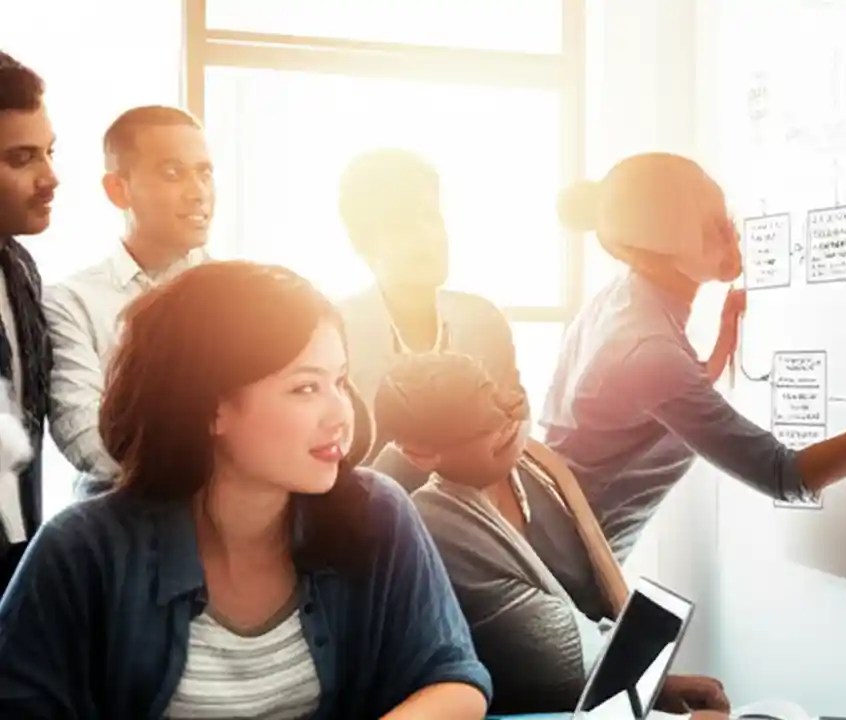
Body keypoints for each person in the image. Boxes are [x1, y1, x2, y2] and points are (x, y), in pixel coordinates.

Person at [0, 261, 492, 719]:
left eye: (339, 382)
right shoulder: (83, 550)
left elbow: (454, 680)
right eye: (305, 388)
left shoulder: (376, 513)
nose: (341, 414)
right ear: (211, 407)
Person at [543, 152, 846, 563]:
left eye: (725, 216)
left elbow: (667, 402)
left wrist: (725, 335)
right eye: (714, 227)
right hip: (568, 577)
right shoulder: (648, 353)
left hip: (556, 548)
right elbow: (785, 476)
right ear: (666, 244)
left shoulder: (621, 301)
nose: (733, 234)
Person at [376, 351, 729, 715]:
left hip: (604, 701)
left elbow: (611, 600)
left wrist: (656, 686)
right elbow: (558, 663)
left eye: (493, 392)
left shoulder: (540, 464)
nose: (509, 417)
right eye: (487, 430)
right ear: (421, 454)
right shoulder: (433, 526)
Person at [44, 105, 212, 494]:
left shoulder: (246, 296)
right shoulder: (71, 302)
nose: (198, 191)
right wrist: (202, 476)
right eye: (173, 173)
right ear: (118, 189)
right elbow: (81, 430)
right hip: (116, 522)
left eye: (204, 172)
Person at [337, 148, 526, 485]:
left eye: (433, 218)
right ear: (360, 242)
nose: (430, 237)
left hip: (477, 506)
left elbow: (511, 436)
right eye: (404, 225)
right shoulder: (338, 334)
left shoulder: (483, 322)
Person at [0, 51, 54, 595]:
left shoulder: (21, 268)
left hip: (17, 555)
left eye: (48, 152)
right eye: (22, 159)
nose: (50, 177)